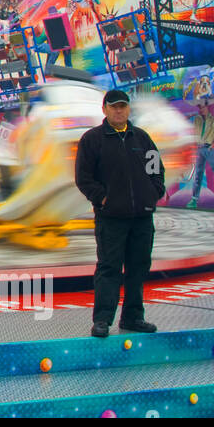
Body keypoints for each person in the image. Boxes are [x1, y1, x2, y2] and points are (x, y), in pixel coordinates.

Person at [74, 88, 165, 338]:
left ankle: (134, 317)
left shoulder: (142, 138)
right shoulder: (92, 140)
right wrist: (103, 199)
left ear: (128, 109)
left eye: (122, 106)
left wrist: (152, 193)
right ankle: (102, 319)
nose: (118, 110)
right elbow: (84, 178)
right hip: (111, 218)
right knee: (109, 268)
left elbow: (156, 169)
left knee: (138, 267)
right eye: (113, 106)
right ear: (104, 109)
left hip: (142, 218)